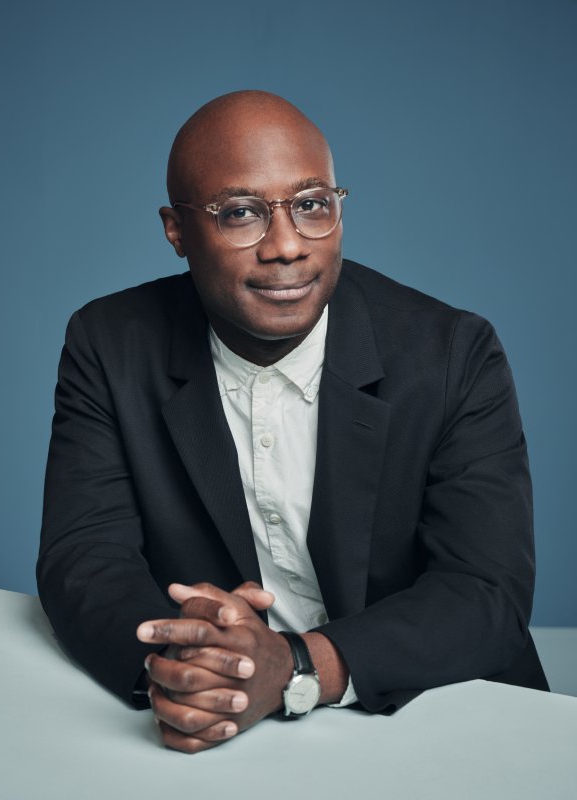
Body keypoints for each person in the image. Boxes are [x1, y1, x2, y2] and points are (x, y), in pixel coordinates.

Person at [37, 90, 548, 754]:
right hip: (234, 739)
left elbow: (484, 592)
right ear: (177, 231)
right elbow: (85, 558)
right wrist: (187, 667)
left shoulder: (453, 354)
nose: (285, 247)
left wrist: (297, 666)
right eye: (241, 213)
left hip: (445, 718)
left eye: (311, 205)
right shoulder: (109, 344)